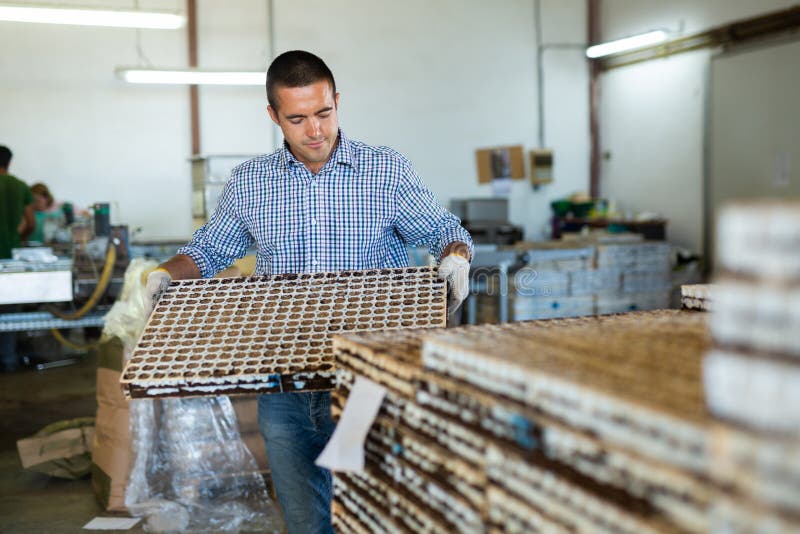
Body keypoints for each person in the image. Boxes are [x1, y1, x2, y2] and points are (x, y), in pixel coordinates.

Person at [144, 50, 472, 533]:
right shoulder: (251, 183)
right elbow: (210, 250)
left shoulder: (386, 173)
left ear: (337, 101)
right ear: (273, 116)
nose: (315, 130)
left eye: (324, 113)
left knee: (375, 516)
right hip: (285, 382)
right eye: (297, 119)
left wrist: (457, 257)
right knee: (304, 522)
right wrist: (167, 274)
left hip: (370, 378)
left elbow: (445, 230)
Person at [0, 145, 35, 372]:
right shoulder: (19, 186)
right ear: (9, 163)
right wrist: (16, 237)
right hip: (9, 259)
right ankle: (8, 361)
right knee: (10, 316)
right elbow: (31, 223)